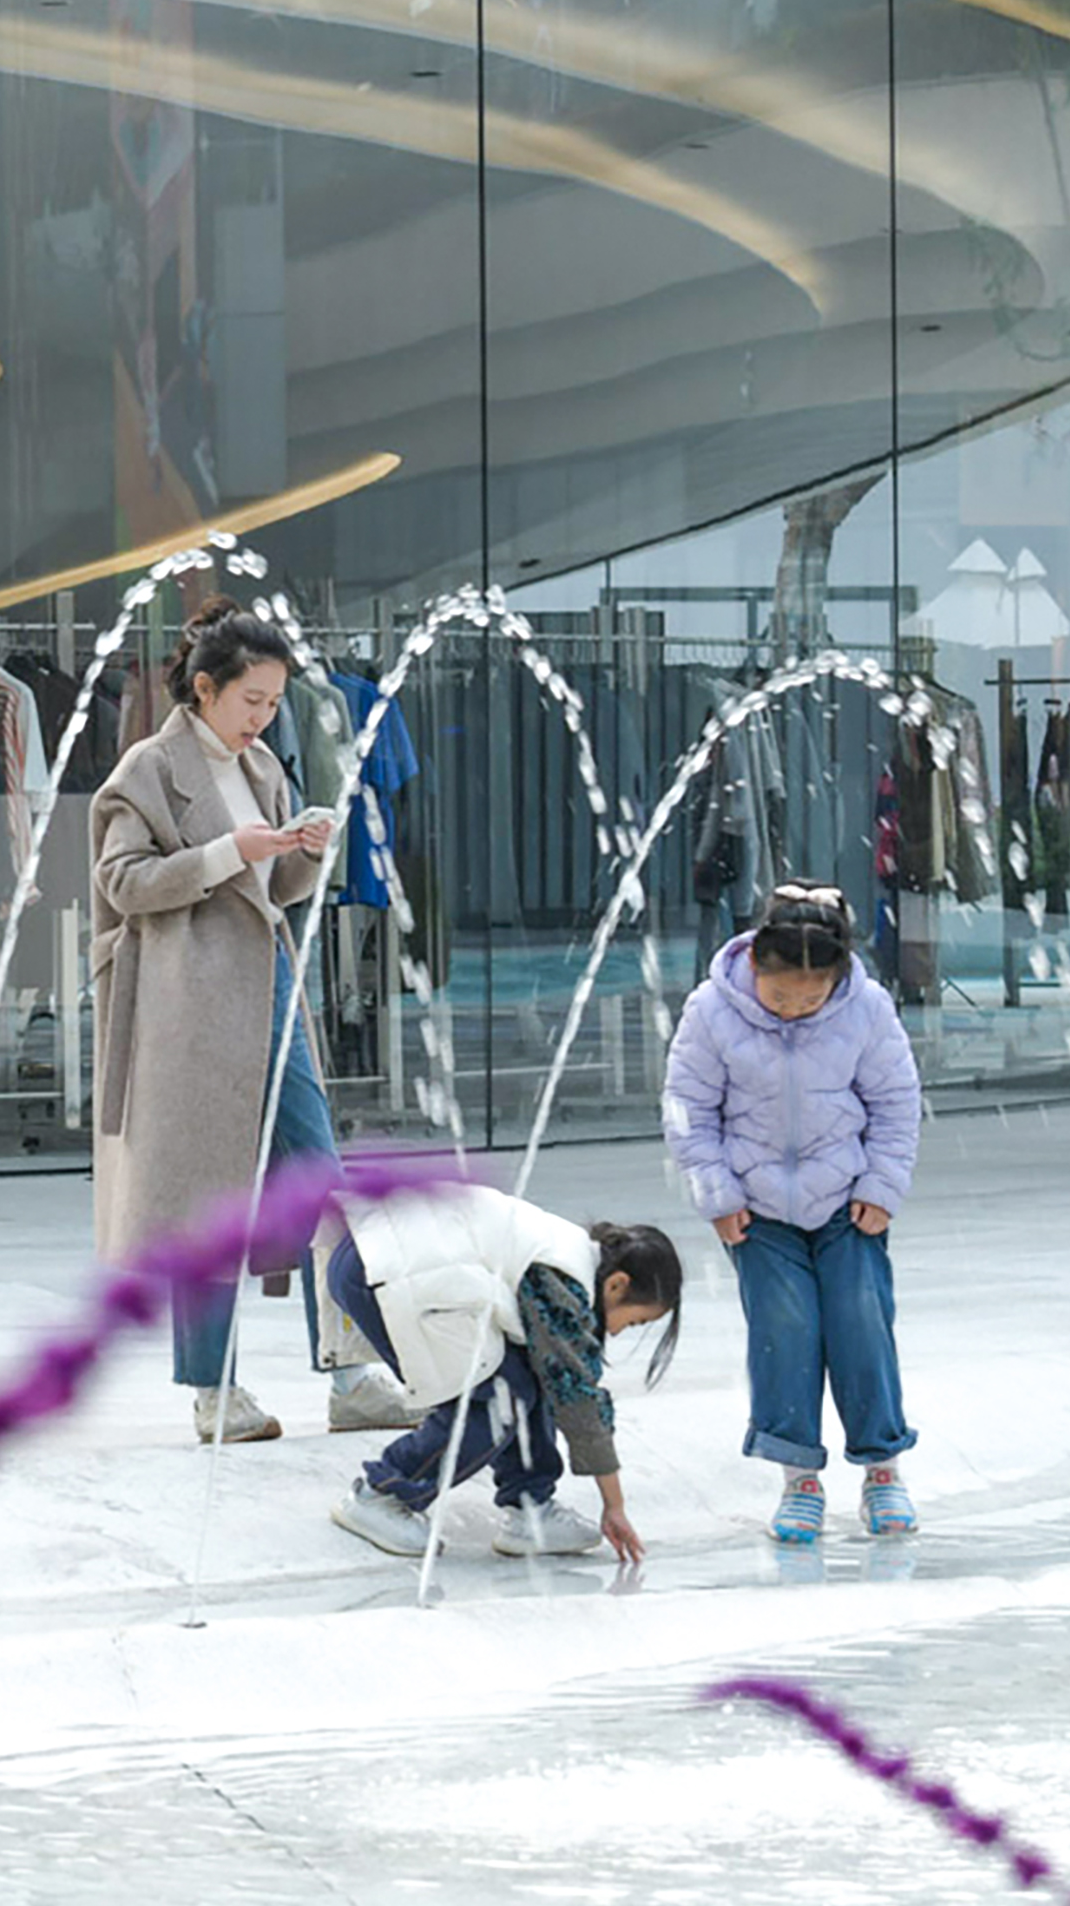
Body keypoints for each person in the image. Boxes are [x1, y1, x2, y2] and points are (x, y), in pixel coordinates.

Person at [89, 595, 414, 1446]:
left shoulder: (264, 767)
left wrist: (306, 853)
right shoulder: (147, 773)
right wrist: (235, 851)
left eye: (273, 702)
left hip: (267, 992)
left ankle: (351, 1371)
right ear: (204, 688)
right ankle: (213, 1389)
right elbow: (123, 883)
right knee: (208, 1200)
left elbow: (272, 897)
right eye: (252, 701)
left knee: (324, 1181)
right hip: (188, 1009)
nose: (265, 718)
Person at [659, 878, 922, 1542]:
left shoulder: (866, 1008)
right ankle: (797, 1477)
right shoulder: (711, 1011)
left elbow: (895, 1104)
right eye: (782, 996)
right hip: (757, 1208)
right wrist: (717, 1194)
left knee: (861, 1322)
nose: (797, 1009)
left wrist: (881, 1188)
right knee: (785, 1330)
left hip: (849, 1201)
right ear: (754, 962)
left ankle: (882, 1469)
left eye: (814, 996)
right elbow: (689, 1112)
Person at [324, 1189, 682, 1563]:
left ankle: (530, 1507)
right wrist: (615, 1507)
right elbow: (579, 1401)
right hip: (385, 1274)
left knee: (526, 1377)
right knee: (496, 1401)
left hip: (383, 1261)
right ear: (617, 1285)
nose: (622, 1331)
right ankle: (380, 1494)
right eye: (635, 1320)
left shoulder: (570, 1254)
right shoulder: (565, 1282)